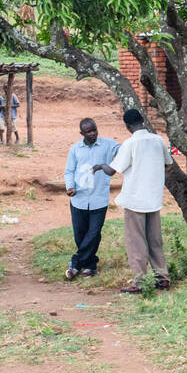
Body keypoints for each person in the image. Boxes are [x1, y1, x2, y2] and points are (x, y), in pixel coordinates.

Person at [95, 109, 174, 293]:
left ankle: (140, 282)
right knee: (154, 239)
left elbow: (112, 170)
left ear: (128, 126)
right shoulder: (158, 140)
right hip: (153, 198)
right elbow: (168, 164)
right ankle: (162, 278)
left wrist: (100, 166)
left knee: (136, 241)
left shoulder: (130, 143)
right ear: (143, 121)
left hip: (135, 200)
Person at [63, 118, 119, 280]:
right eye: (88, 131)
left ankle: (75, 264)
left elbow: (125, 151)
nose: (93, 133)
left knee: (93, 233)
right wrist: (69, 187)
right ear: (82, 133)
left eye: (94, 129)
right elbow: (69, 171)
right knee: (80, 235)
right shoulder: (75, 149)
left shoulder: (108, 145)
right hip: (78, 198)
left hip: (99, 199)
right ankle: (90, 264)